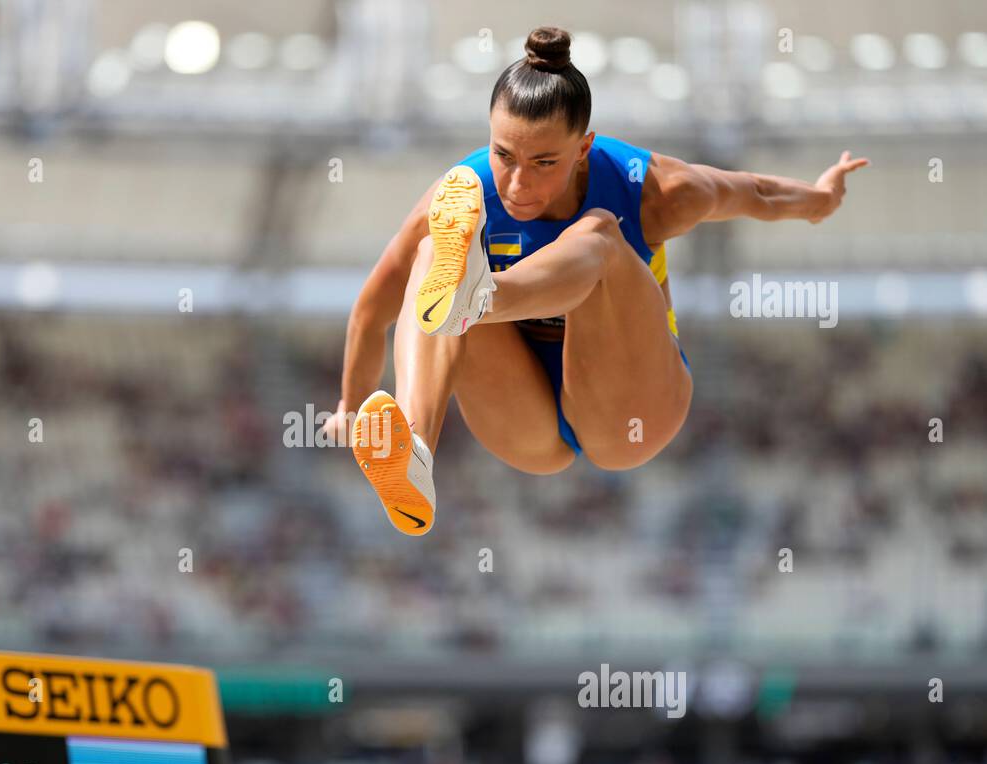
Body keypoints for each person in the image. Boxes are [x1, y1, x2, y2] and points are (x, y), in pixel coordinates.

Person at [327, 26, 868, 536]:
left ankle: (478, 296)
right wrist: (352, 409)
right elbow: (374, 308)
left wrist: (819, 201)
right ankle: (417, 448)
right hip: (524, 423)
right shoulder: (465, 194)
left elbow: (755, 193)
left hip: (630, 411)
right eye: (504, 156)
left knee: (601, 234)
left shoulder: (654, 188)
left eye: (544, 162)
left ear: (583, 148)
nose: (517, 183)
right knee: (429, 254)